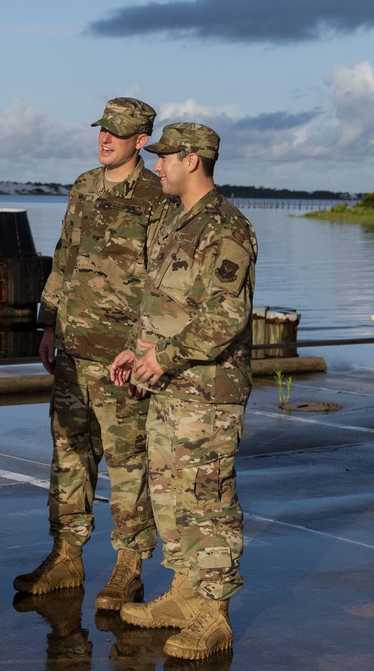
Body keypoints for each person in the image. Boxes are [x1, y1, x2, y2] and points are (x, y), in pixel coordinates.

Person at [14, 97, 171, 611]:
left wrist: (143, 347)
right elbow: (65, 255)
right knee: (68, 457)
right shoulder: (83, 186)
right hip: (72, 351)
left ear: (140, 141)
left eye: (117, 133)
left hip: (120, 360)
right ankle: (66, 556)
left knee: (128, 464)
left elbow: (161, 280)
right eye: (103, 130)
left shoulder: (156, 195)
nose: (105, 139)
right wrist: (48, 323)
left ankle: (129, 565)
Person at [109, 122, 257, 661]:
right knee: (170, 496)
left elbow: (227, 316)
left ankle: (214, 615)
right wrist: (133, 348)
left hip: (207, 391)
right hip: (168, 388)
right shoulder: (175, 222)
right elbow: (159, 304)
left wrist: (162, 357)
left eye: (166, 157)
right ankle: (183, 595)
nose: (157, 165)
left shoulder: (227, 228)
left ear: (193, 160)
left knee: (208, 499)